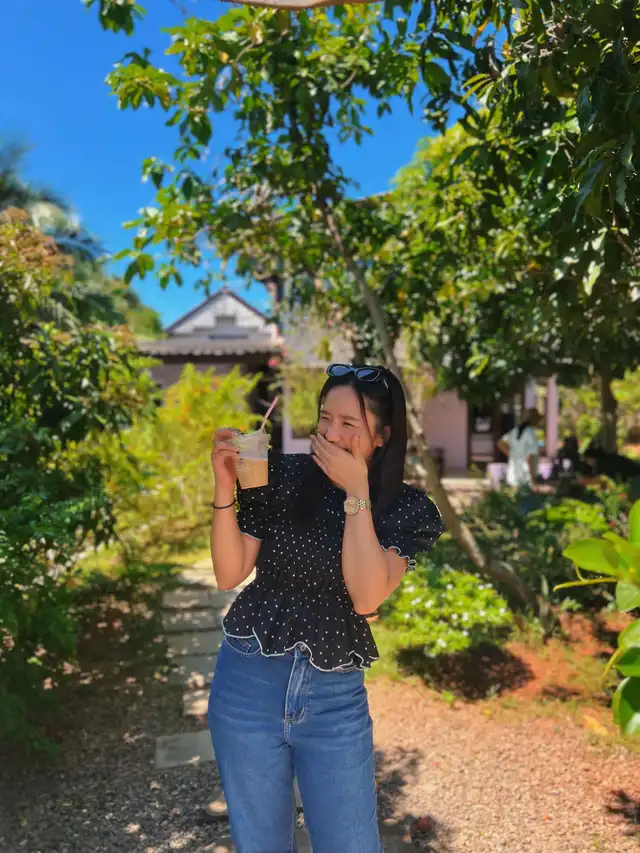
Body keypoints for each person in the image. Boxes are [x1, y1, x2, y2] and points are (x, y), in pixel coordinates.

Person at [208, 363, 443, 853]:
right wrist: (225, 486)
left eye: (349, 424)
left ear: (381, 436)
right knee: (261, 845)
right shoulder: (282, 475)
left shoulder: (404, 508)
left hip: (333, 702)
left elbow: (366, 595)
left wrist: (357, 494)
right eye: (324, 419)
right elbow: (230, 573)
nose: (331, 435)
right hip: (246, 686)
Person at [497, 407, 543, 489]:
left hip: (512, 473)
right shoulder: (530, 433)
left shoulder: (515, 430)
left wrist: (512, 455)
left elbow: (500, 443)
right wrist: (532, 479)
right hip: (525, 475)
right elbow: (530, 457)